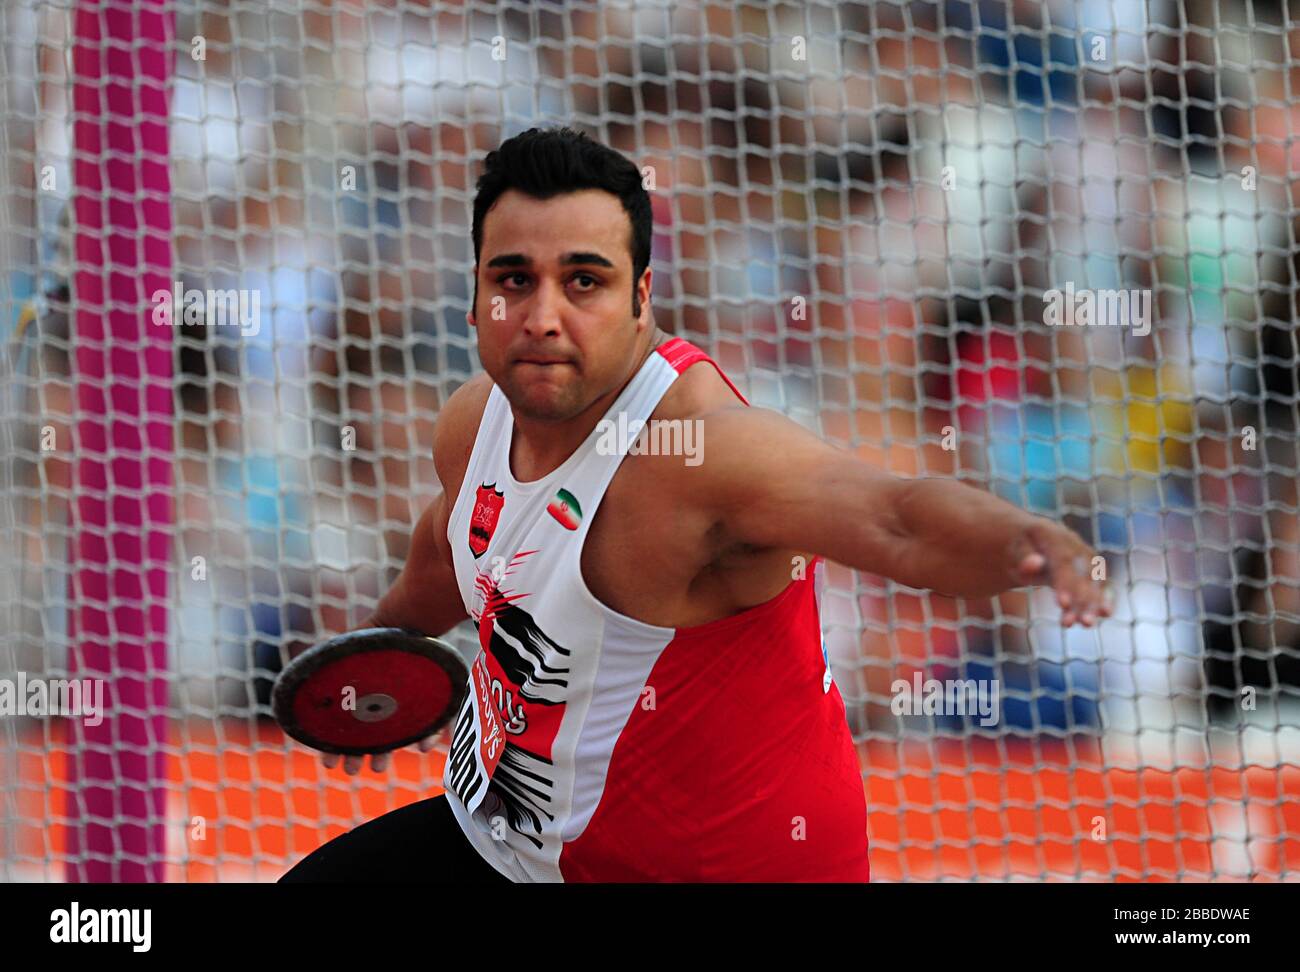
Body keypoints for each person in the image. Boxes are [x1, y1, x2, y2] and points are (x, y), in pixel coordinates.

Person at [280, 126, 1111, 884]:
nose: (543, 316)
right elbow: (444, 557)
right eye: (513, 281)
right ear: (474, 299)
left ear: (642, 297)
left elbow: (894, 515)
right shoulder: (472, 423)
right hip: (508, 846)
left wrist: (1028, 543)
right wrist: (377, 671)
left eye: (583, 281)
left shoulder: (703, 452)